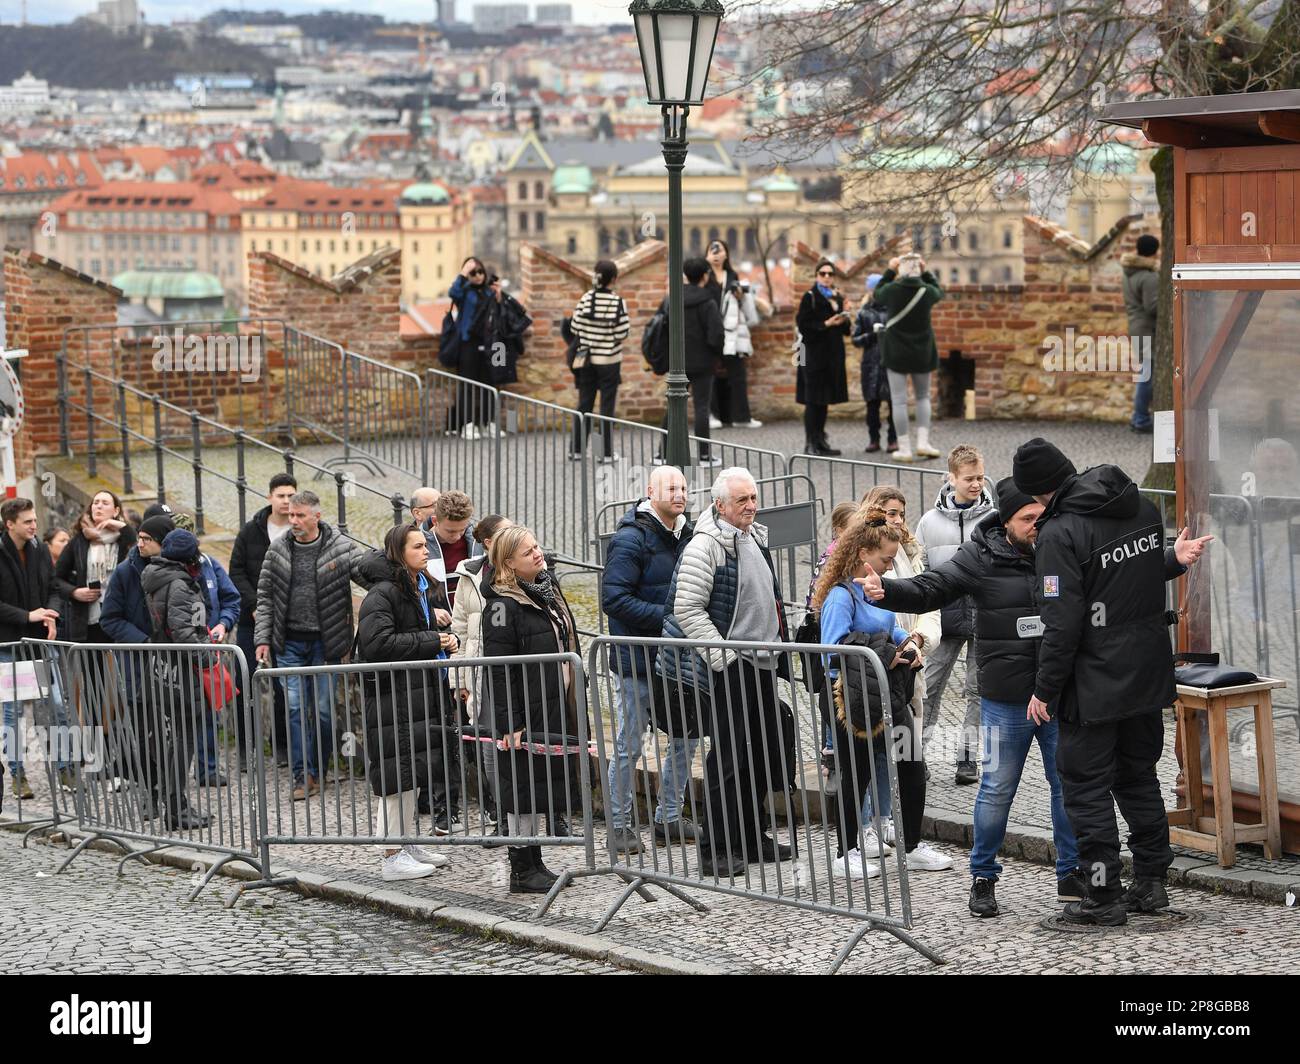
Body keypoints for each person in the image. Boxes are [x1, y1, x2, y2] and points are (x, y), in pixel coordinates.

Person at [1014, 438, 1213, 925]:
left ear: (1040, 492)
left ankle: (1101, 897)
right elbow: (1127, 575)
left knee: (1085, 789)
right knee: (1140, 779)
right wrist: (1172, 557)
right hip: (1146, 675)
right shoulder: (1141, 506)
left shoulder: (1060, 533)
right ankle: (1152, 884)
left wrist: (1044, 689)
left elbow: (1062, 624)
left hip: (1094, 684)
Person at [862, 478, 1084, 914]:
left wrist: (1170, 559)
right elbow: (932, 586)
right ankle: (983, 877)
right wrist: (886, 591)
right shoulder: (981, 555)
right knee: (998, 788)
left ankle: (1071, 873)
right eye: (1029, 519)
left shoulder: (1060, 546)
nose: (1039, 526)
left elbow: (1108, 574)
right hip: (1006, 697)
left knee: (1067, 786)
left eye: (1043, 517)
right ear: (1006, 520)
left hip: (1057, 693)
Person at [657, 467, 794, 878]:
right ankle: (715, 848)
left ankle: (751, 837)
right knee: (729, 760)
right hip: (730, 667)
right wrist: (724, 658)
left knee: (759, 756)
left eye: (753, 498)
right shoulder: (705, 546)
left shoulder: (755, 536)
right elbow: (687, 608)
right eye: (742, 500)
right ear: (720, 505)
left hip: (762, 664)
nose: (751, 506)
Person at [812, 507, 950, 878]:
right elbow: (833, 652)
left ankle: (912, 846)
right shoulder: (841, 596)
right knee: (856, 774)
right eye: (886, 559)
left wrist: (909, 643)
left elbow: (892, 627)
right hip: (849, 700)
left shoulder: (878, 591)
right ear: (862, 554)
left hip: (888, 694)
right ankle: (846, 851)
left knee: (911, 767)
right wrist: (887, 652)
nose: (891, 566)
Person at [481, 525, 583, 894]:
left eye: (537, 547)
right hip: (523, 711)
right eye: (528, 552)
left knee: (537, 784)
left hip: (550, 704)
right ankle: (521, 868)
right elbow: (499, 669)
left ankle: (536, 861)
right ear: (508, 562)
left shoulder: (545, 590)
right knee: (520, 785)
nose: (538, 554)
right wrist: (510, 722)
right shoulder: (500, 605)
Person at [601, 465, 698, 854]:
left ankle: (669, 817)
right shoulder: (631, 538)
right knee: (630, 743)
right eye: (671, 488)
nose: (679, 494)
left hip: (676, 660)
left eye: (683, 488)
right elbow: (614, 599)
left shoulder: (687, 534)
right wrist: (671, 618)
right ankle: (619, 824)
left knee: (686, 736)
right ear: (649, 491)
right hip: (637, 659)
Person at [356, 523, 459, 882]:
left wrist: (437, 632)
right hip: (391, 699)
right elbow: (377, 643)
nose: (425, 550)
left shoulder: (415, 587)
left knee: (410, 772)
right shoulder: (383, 594)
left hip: (414, 696)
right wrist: (433, 640)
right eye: (417, 547)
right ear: (399, 553)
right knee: (395, 776)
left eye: (424, 545)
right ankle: (391, 854)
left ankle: (406, 843)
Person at [254, 490, 365, 801]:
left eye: (300, 515)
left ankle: (320, 769)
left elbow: (366, 575)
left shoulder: (340, 547)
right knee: (294, 709)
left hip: (326, 642)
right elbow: (264, 598)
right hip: (288, 642)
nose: (294, 521)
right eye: (291, 515)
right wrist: (262, 638)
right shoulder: (277, 550)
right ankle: (303, 776)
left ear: (317, 515)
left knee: (325, 711)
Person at [856, 485, 941, 855]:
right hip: (876, 675)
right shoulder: (862, 562)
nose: (896, 520)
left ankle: (899, 828)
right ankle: (867, 828)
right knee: (875, 757)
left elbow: (926, 601)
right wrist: (890, 650)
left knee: (907, 753)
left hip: (909, 665)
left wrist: (917, 639)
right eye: (888, 512)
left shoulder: (908, 553)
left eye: (901, 513)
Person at [915, 444, 994, 783]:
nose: (976, 484)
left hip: (984, 614)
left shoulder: (994, 518)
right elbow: (920, 569)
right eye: (968, 479)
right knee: (929, 686)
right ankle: (917, 756)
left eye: (979, 478)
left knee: (978, 690)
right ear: (951, 478)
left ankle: (968, 759)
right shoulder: (929, 523)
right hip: (943, 616)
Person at [140, 528, 229, 827]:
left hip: (167, 670)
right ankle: (176, 811)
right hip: (180, 673)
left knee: (177, 740)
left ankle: (176, 805)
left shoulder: (160, 576)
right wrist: (208, 657)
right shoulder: (178, 583)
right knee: (182, 741)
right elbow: (183, 632)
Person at [0, 497, 69, 800]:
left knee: (57, 707)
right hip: (10, 646)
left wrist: (50, 615)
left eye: (34, 520)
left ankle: (66, 767)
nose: (34, 526)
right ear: (9, 523)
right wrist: (28, 615)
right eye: (27, 521)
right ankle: (18, 775)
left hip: (39, 645)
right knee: (13, 715)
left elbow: (53, 588)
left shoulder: (40, 549)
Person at [229, 475, 297, 769]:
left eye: (291, 495)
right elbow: (237, 572)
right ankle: (247, 748)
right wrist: (256, 605)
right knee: (245, 682)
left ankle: (281, 745)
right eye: (281, 495)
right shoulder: (250, 532)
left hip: (286, 621)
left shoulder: (299, 530)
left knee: (284, 685)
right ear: (270, 496)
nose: (286, 501)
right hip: (250, 621)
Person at [449, 513, 512, 827]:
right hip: (482, 667)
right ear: (488, 542)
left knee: (522, 736)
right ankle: (498, 808)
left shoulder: (521, 567)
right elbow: (459, 629)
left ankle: (529, 809)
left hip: (516, 665)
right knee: (489, 739)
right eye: (506, 531)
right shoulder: (470, 575)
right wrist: (459, 678)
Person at [874, 252, 944, 463]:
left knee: (899, 401)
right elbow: (938, 291)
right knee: (923, 397)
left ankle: (904, 448)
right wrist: (927, 272)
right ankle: (923, 443)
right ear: (918, 268)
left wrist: (889, 270)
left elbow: (877, 293)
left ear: (901, 269)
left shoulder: (892, 290)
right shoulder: (927, 291)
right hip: (922, 352)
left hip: (896, 352)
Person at [656, 256, 725, 468]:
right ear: (705, 276)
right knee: (702, 407)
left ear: (685, 275)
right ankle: (704, 456)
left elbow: (662, 327)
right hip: (703, 362)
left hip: (678, 362)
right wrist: (716, 355)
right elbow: (716, 335)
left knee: (673, 405)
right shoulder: (708, 301)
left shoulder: (671, 299)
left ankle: (662, 454)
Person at [53, 489, 137, 644]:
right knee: (92, 667)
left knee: (124, 666)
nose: (99, 506)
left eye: (105, 503)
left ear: (116, 510)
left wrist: (121, 525)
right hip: (89, 617)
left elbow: (138, 549)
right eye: (95, 503)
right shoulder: (79, 541)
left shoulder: (124, 539)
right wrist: (74, 592)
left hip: (121, 614)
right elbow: (56, 578)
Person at [568, 259, 630, 462]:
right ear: (614, 279)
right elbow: (623, 333)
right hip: (609, 360)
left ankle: (577, 450)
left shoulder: (585, 298)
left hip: (585, 359)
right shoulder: (617, 301)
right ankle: (605, 453)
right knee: (606, 407)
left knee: (584, 403)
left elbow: (574, 327)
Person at [705, 238, 764, 430]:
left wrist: (740, 295)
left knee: (738, 374)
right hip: (710, 330)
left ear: (726, 254)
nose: (715, 253)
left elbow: (742, 303)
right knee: (709, 375)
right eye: (712, 250)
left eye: (719, 249)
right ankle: (711, 415)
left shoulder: (732, 274)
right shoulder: (704, 276)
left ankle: (742, 417)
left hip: (731, 331)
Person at [795, 259, 851, 457]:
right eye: (823, 274)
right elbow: (804, 326)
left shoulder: (837, 298)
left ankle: (821, 441)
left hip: (833, 357)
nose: (827, 277)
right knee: (813, 401)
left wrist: (844, 317)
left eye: (830, 274)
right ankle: (810, 443)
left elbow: (846, 331)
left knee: (824, 400)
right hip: (813, 357)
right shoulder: (809, 297)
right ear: (817, 276)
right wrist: (826, 323)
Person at [447, 256, 499, 438]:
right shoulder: (465, 292)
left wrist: (499, 297)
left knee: (491, 383)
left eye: (480, 272)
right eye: (473, 273)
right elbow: (453, 293)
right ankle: (468, 425)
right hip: (468, 343)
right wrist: (462, 275)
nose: (477, 276)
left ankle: (489, 422)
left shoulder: (490, 292)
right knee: (467, 384)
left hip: (491, 344)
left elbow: (500, 315)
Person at [851, 273, 897, 453]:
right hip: (870, 364)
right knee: (872, 405)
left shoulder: (894, 310)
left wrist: (888, 335)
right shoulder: (864, 312)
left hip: (891, 362)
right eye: (874, 288)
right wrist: (871, 335)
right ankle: (874, 439)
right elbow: (855, 339)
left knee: (894, 404)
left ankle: (893, 439)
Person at [1122, 234, 1159, 434]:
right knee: (1148, 375)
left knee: (1145, 372)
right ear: (1155, 251)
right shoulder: (1149, 276)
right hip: (1148, 329)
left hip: (1136, 327)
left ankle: (1140, 416)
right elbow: (1153, 307)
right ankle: (1141, 418)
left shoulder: (1128, 272)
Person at [422, 489, 482, 607]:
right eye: (450, 531)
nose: (457, 537)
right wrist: (431, 612)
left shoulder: (478, 541)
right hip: (437, 622)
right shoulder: (418, 544)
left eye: (462, 530)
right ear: (435, 521)